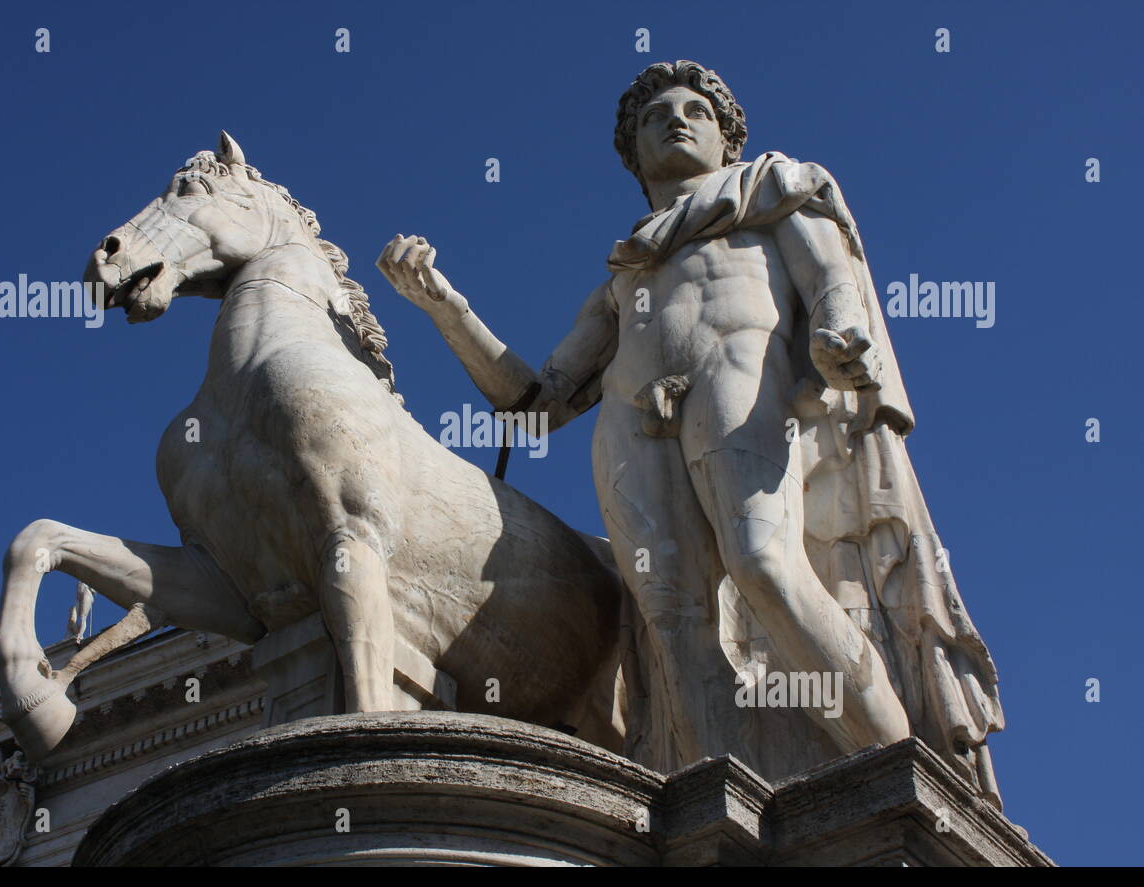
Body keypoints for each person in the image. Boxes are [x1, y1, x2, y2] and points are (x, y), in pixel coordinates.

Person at [378, 61, 1003, 806]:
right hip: (629, 424)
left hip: (739, 381)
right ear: (634, 156)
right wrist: (447, 309)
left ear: (728, 138)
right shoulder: (625, 273)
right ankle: (719, 815)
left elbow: (832, 273)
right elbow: (534, 405)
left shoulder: (771, 191)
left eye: (696, 110)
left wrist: (840, 331)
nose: (676, 120)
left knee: (763, 562)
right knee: (672, 626)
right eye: (654, 117)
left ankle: (902, 779)